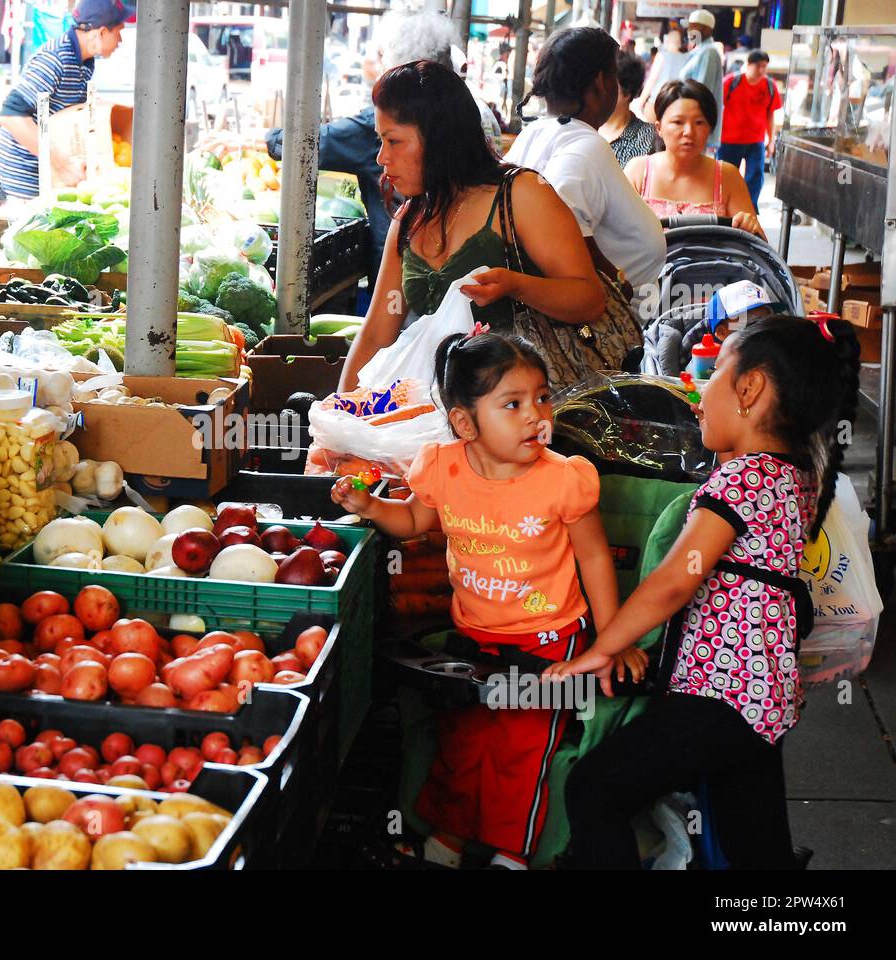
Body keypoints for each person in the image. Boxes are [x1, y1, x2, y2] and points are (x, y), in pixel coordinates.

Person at [550, 314, 862, 869]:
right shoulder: (792, 474)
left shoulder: (745, 480)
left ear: (751, 389)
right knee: (754, 848)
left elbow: (674, 581)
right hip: (760, 700)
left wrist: (603, 646)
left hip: (724, 698)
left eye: (715, 371)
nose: (699, 388)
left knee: (595, 789)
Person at [333, 332, 619, 869]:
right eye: (512, 404)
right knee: (461, 743)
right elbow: (415, 520)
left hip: (549, 642)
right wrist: (370, 507)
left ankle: (511, 855)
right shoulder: (444, 467)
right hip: (474, 639)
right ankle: (447, 841)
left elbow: (596, 560)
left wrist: (608, 640)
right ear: (465, 423)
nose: (536, 416)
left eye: (542, 397)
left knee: (520, 753)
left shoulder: (563, 480)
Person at [337, 60, 604, 392]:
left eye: (393, 141)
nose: (381, 158)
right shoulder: (410, 221)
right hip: (442, 413)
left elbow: (590, 298)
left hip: (528, 412)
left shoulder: (521, 195)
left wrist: (516, 285)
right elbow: (376, 334)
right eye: (380, 141)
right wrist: (339, 411)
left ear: (438, 138)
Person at [207, 11, 497, 275]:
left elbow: (314, 143)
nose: (383, 157)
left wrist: (244, 140)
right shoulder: (471, 110)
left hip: (418, 279)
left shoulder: (398, 118)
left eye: (393, 141)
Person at [506, 26, 666, 295]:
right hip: (601, 328)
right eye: (614, 76)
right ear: (601, 82)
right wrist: (618, 287)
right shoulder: (584, 147)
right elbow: (562, 225)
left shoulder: (535, 133)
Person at [0, 0, 131, 202]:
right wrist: (61, 165)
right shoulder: (55, 59)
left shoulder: (84, 62)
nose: (121, 40)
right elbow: (11, 116)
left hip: (46, 185)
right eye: (118, 31)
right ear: (100, 33)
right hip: (16, 189)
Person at [625, 80, 763, 237]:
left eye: (699, 122)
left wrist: (750, 226)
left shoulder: (727, 176)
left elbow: (760, 248)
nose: (689, 132)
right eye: (678, 122)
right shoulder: (638, 172)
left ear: (710, 128)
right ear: (659, 128)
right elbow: (617, 236)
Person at [718, 50, 781, 212]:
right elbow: (716, 107)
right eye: (758, 66)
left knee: (756, 175)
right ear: (749, 64)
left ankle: (749, 208)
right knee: (725, 176)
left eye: (765, 67)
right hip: (728, 140)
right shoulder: (731, 82)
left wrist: (771, 140)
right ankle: (724, 206)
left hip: (756, 140)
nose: (762, 70)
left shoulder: (769, 86)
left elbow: (770, 115)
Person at [600, 50, 659, 166]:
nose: (599, 91)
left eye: (606, 85)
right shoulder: (584, 129)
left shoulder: (649, 138)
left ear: (627, 93)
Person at [679, 9, 723, 151]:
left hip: (695, 123)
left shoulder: (708, 53)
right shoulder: (700, 51)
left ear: (706, 30)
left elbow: (702, 91)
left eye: (693, 26)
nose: (689, 30)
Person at [641, 28, 686, 116]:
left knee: (650, 128)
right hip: (677, 103)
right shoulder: (686, 58)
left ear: (668, 41)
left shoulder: (661, 56)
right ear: (680, 43)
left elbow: (652, 80)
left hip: (658, 100)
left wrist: (641, 102)